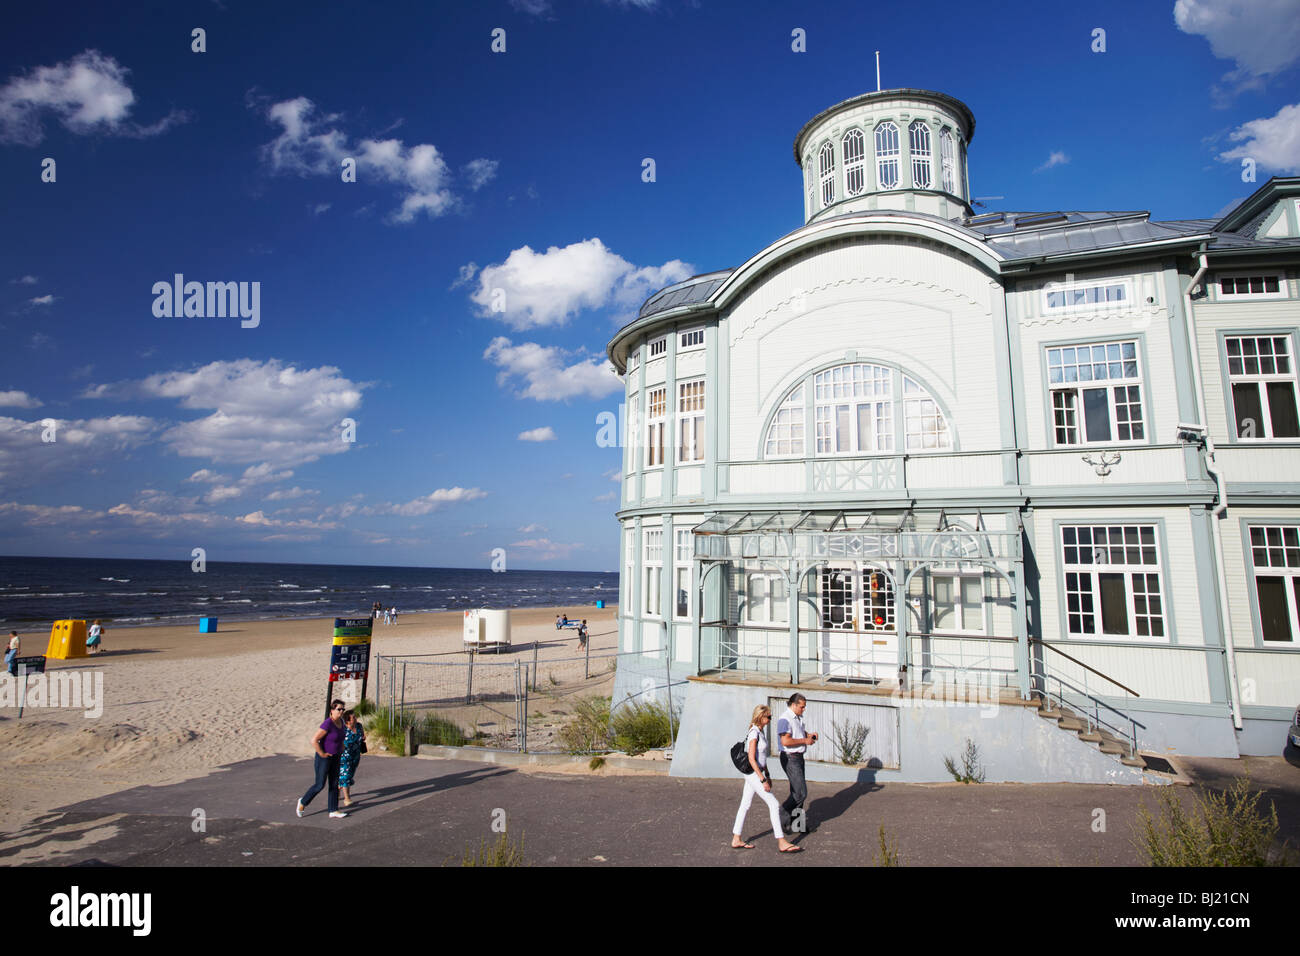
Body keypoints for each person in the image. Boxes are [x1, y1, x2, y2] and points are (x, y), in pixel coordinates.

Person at [731, 704, 801, 852]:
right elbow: (751, 758)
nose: (770, 719)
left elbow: (762, 758)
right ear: (760, 717)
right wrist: (762, 779)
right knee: (774, 804)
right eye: (768, 717)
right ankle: (781, 842)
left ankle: (736, 838)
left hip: (757, 772)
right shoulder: (754, 733)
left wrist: (768, 775)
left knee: (745, 804)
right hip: (753, 774)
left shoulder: (760, 732)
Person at [297, 700, 349, 819]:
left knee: (334, 783)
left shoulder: (341, 722)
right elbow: (314, 740)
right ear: (332, 710)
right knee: (320, 784)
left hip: (336, 756)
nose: (341, 712)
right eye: (339, 709)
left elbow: (340, 737)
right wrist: (322, 753)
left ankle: (333, 810)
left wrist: (342, 746)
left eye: (343, 709)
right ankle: (303, 802)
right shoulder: (327, 724)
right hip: (324, 758)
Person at [777, 692, 818, 834]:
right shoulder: (785, 719)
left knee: (797, 791)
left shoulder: (797, 717)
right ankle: (783, 813)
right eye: (802, 706)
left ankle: (797, 825)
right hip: (790, 758)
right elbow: (785, 741)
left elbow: (798, 732)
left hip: (798, 757)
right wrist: (805, 741)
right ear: (794, 705)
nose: (804, 709)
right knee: (800, 793)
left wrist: (808, 735)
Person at [338, 710, 366, 807]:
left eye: (355, 717)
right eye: (353, 717)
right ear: (348, 721)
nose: (355, 718)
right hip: (344, 756)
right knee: (346, 776)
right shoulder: (343, 729)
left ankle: (338, 787)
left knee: (350, 775)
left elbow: (362, 736)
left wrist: (362, 738)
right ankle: (347, 799)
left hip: (356, 755)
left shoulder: (359, 726)